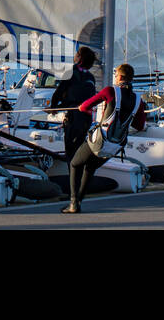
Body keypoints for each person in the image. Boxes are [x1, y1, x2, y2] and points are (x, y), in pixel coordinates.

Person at [63, 62, 146, 214]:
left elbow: (85, 106)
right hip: (116, 144)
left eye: (115, 75)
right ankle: (78, 201)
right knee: (91, 167)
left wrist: (82, 107)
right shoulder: (138, 101)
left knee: (75, 163)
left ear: (120, 76)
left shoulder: (110, 91)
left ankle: (74, 203)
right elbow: (140, 126)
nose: (115, 78)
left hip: (101, 141)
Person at [48, 47, 97, 165]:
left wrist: (54, 107)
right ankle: (78, 173)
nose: (75, 56)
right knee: (78, 147)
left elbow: (60, 92)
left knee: (70, 151)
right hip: (86, 118)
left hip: (74, 117)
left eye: (77, 54)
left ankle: (73, 177)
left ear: (80, 58)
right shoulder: (91, 77)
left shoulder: (71, 71)